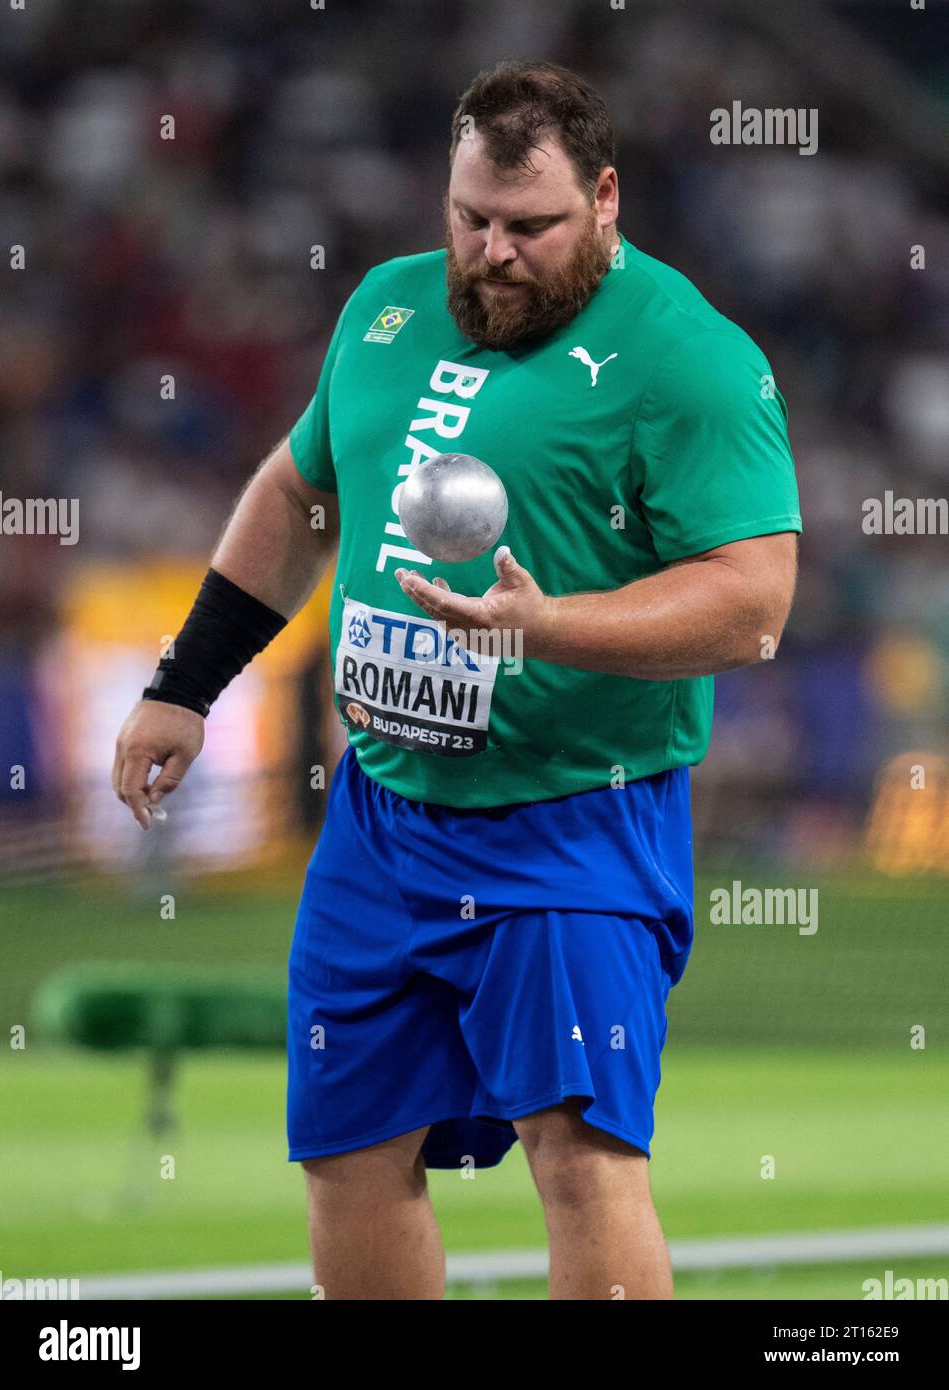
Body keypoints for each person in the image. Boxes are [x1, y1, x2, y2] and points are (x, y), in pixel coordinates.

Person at [112, 60, 801, 1300]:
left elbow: (755, 603)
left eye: (530, 226)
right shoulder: (385, 308)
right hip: (380, 818)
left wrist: (547, 626)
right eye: (469, 217)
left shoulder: (690, 359)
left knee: (581, 1158)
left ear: (605, 198)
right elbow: (299, 492)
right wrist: (185, 682)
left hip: (572, 822)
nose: (491, 253)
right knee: (346, 1150)